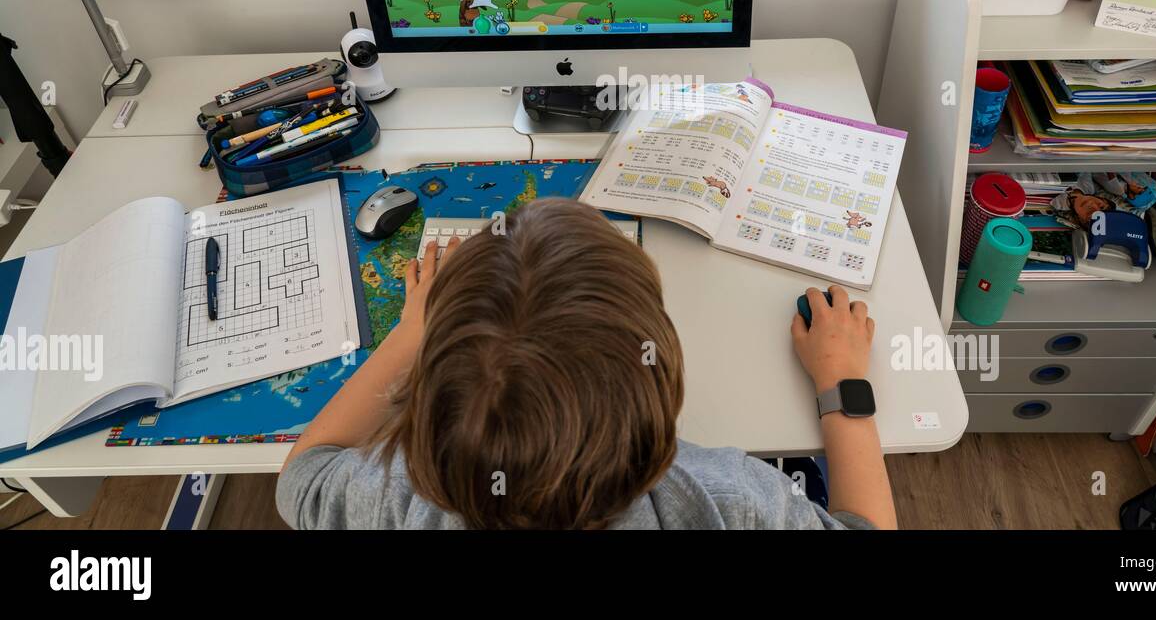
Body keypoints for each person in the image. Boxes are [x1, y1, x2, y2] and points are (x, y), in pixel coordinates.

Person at [276, 198, 897, 529]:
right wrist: (844, 387)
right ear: (659, 406)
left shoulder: (397, 500)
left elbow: (301, 476)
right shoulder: (725, 498)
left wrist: (412, 335)